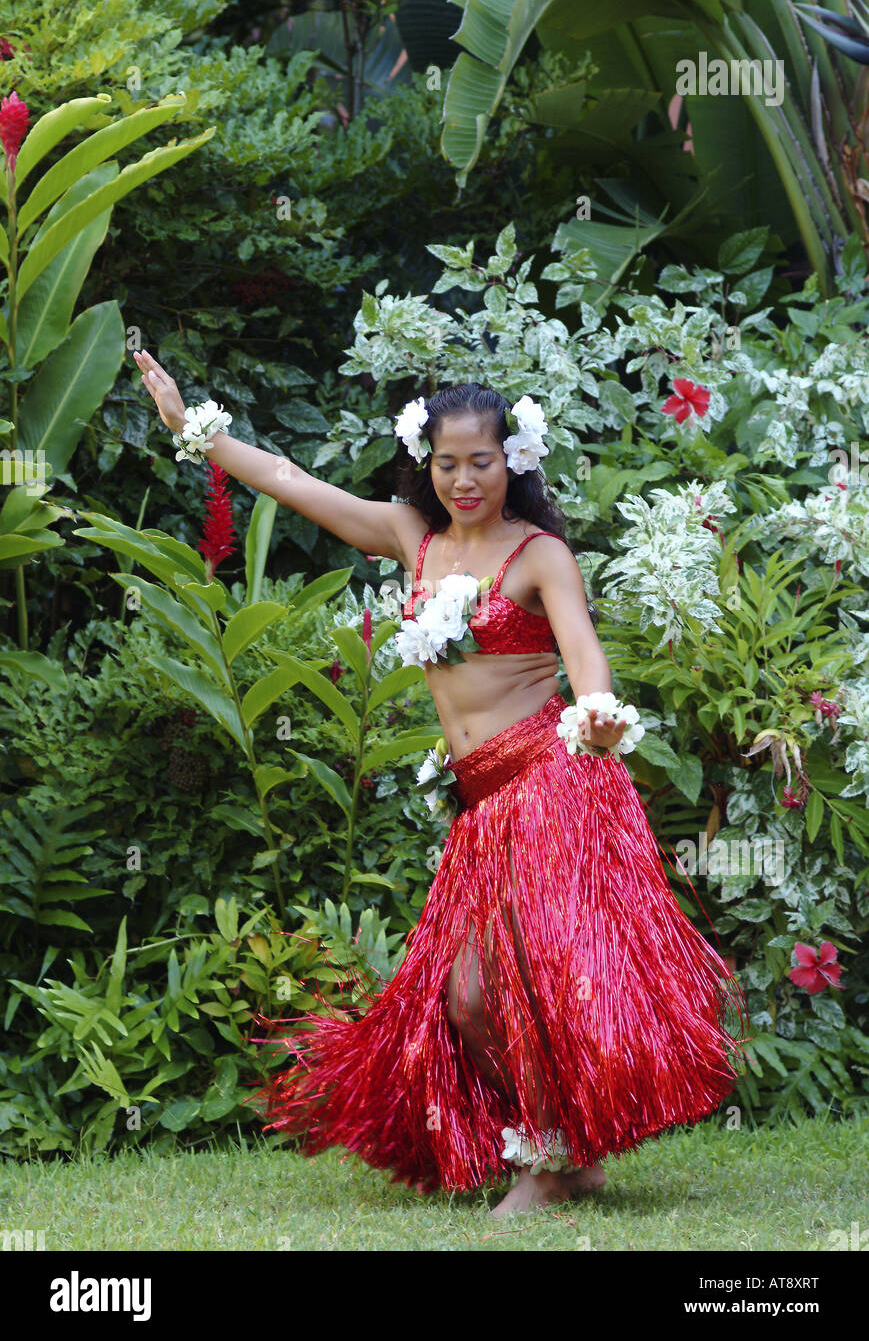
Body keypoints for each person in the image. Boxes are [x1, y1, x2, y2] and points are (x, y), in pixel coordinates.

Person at [134, 351, 749, 1217]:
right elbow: (288, 477)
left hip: (548, 783)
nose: (465, 480)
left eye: (482, 462)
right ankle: (568, 1154)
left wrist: (602, 716)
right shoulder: (410, 537)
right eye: (447, 462)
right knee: (466, 1000)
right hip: (480, 803)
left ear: (514, 461)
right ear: (425, 463)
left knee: (508, 985)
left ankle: (544, 1159)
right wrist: (192, 428)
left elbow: (585, 661)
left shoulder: (539, 556)